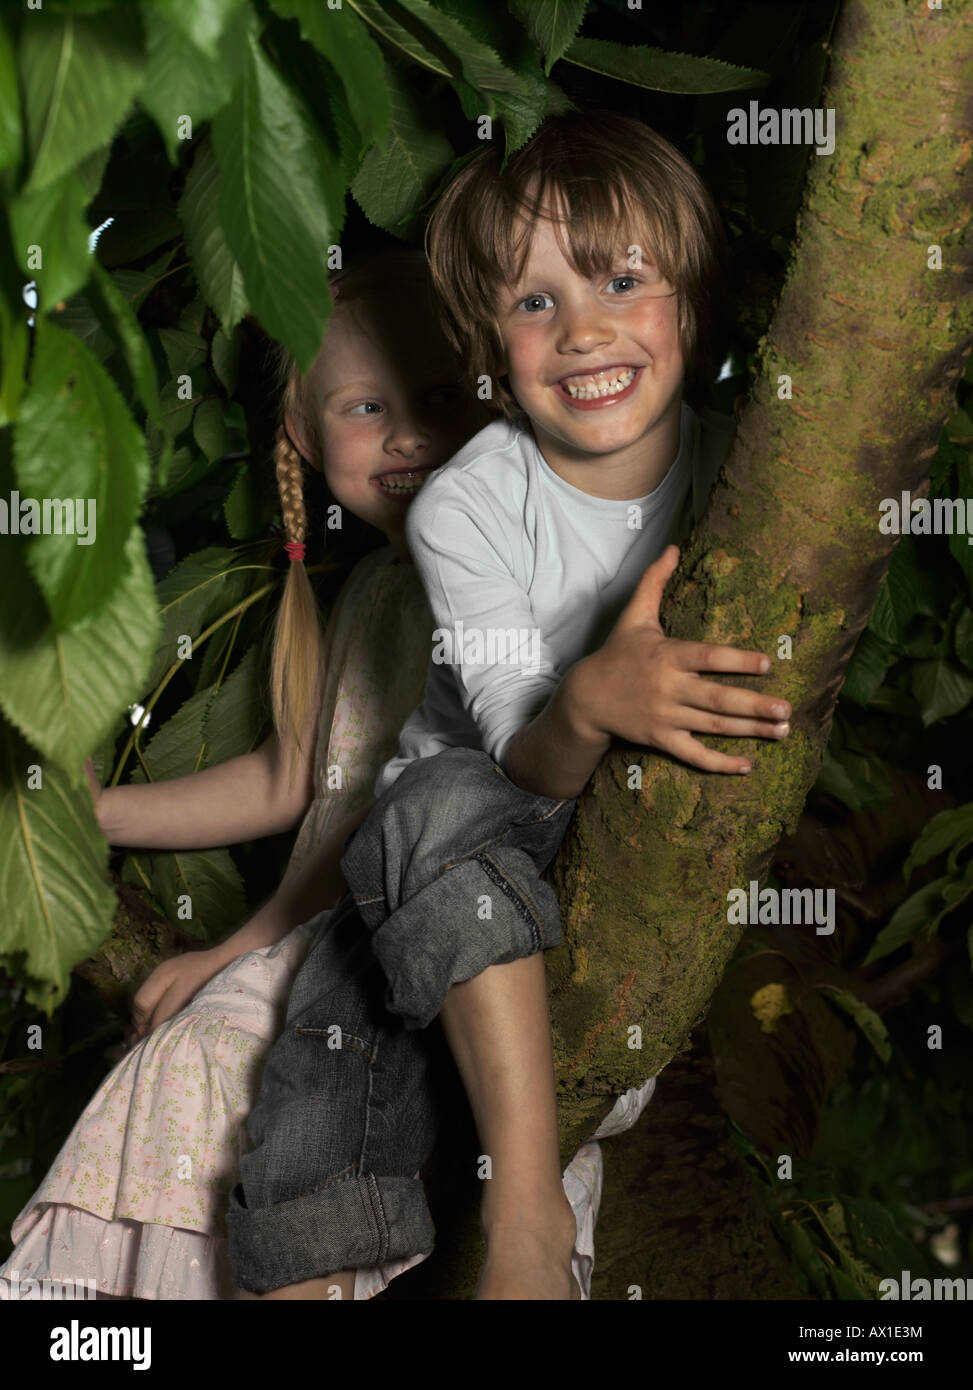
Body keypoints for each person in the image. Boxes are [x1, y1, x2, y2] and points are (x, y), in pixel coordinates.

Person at [227, 111, 793, 1303]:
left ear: (692, 298)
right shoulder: (463, 508)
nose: (582, 329)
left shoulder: (752, 473)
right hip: (465, 836)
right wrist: (589, 699)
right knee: (317, 1074)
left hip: (611, 864)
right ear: (488, 337)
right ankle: (500, 1216)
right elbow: (513, 756)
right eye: (533, 303)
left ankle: (526, 1200)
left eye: (623, 281)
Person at [0, 249, 488, 1300]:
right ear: (304, 442)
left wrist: (238, 943)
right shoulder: (368, 600)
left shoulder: (487, 593)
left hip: (393, 931)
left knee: (209, 1060)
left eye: (440, 395)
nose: (407, 431)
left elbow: (402, 820)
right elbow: (291, 780)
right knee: (198, 1065)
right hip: (326, 928)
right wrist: (100, 812)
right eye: (365, 407)